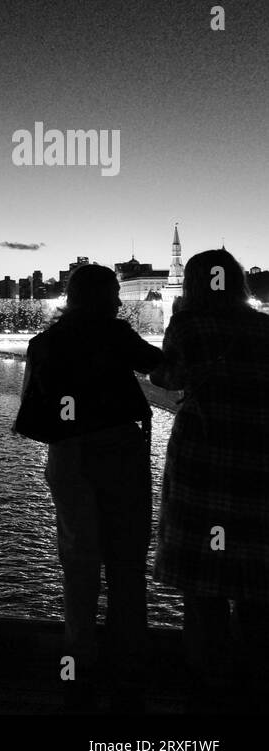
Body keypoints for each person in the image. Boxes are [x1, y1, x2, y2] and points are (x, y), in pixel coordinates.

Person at [14, 264, 163, 710]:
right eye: (114, 293)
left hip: (69, 455)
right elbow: (161, 368)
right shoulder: (116, 334)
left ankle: (77, 661)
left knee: (78, 561)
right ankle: (128, 661)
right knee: (127, 561)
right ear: (101, 298)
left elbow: (29, 409)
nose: (119, 301)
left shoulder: (44, 343)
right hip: (119, 449)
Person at [149, 249, 269, 704]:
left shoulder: (189, 324)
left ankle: (206, 681)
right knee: (257, 582)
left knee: (204, 584)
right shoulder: (264, 327)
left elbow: (168, 378)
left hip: (205, 464)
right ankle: (255, 680)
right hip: (258, 466)